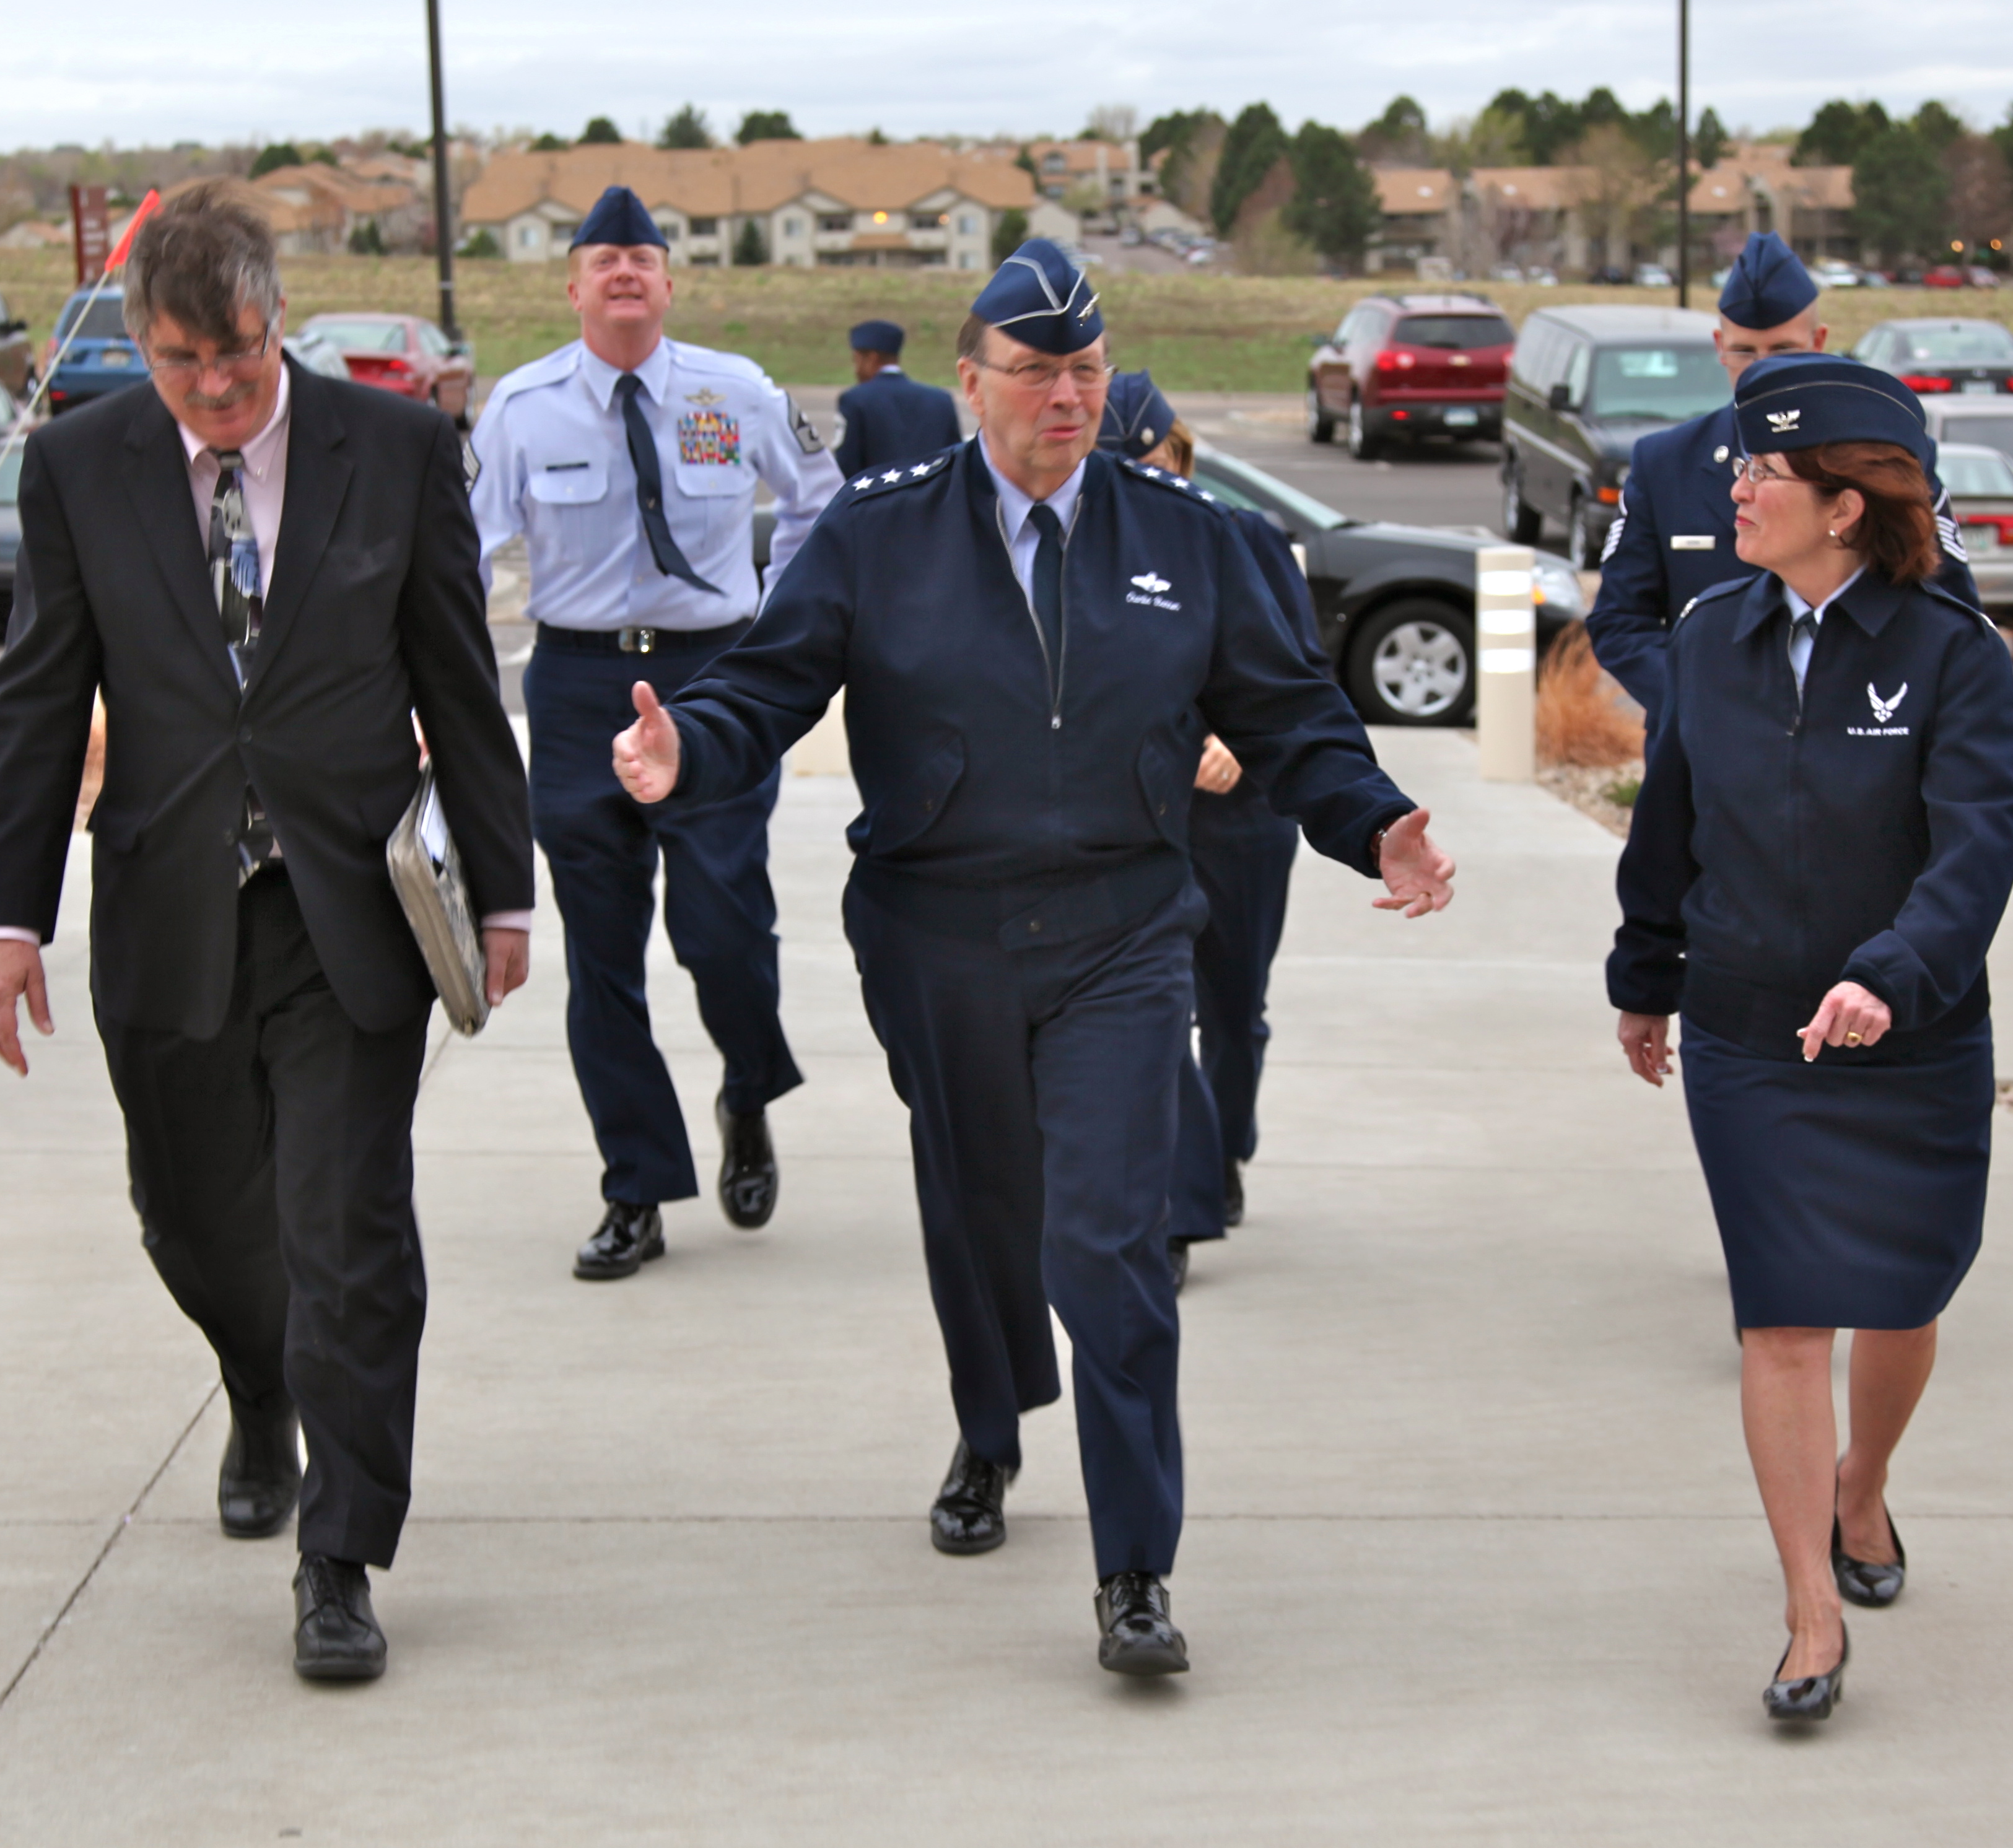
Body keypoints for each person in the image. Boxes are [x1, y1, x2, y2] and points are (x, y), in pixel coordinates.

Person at [608, 242, 1456, 1675]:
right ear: (969, 384)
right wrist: (684, 746)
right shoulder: (878, 535)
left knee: (1110, 1246)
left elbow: (1297, 718)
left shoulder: (1192, 543)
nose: (1067, 396)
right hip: (935, 934)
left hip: (1121, 934)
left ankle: (1135, 1569)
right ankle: (989, 1430)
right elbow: (764, 687)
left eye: (1086, 370)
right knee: (980, 1205)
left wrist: (1374, 825)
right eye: (1035, 372)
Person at [0, 181, 536, 1682]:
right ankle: (253, 1379)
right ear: (140, 349)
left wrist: (502, 887)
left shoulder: (396, 450)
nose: (215, 393)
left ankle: (341, 1555)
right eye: (178, 363)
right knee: (201, 1220)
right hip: (166, 904)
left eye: (236, 356)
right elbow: (38, 703)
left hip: (348, 912)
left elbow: (461, 681)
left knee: (346, 1234)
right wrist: (5, 919)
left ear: (276, 317)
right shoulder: (79, 467)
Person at [1607, 354, 2013, 1723]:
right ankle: (1805, 1611)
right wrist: (1644, 971)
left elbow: (1975, 851)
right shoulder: (1707, 640)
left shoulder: (1948, 653)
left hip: (1907, 1041)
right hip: (1746, 1032)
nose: (1732, 488)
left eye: (1761, 473)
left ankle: (1863, 1486)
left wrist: (1892, 976)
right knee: (1782, 1317)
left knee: (1900, 1298)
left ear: (1844, 507)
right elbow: (1666, 825)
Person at [469, 185, 844, 1281]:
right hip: (582, 687)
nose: (624, 271)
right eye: (604, 258)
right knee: (603, 959)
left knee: (724, 928)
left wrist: (780, 615)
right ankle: (634, 1185)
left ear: (668, 283)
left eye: (642, 255)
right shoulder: (521, 408)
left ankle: (746, 1086)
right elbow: (465, 550)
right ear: (574, 286)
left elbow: (825, 496)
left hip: (713, 681)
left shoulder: (736, 391)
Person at [1093, 372, 1327, 1289]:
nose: (1143, 479)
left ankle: (1222, 1150)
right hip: (1134, 817)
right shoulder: (1076, 549)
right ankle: (1181, 1198)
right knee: (1158, 1011)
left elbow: (1294, 674)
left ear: (1180, 455)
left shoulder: (1240, 538)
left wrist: (1230, 735)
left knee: (1234, 1010)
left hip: (1242, 817)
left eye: (1154, 461)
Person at [1586, 232, 1979, 719]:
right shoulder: (1666, 463)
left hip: (1856, 739)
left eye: (1781, 350)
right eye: (1744, 352)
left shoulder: (1881, 460)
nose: (1762, 369)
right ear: (1718, 347)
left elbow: (1948, 604)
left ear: (1818, 343)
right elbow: (1620, 622)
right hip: (1701, 756)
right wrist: (1705, 705)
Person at [833, 320, 962, 476]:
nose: (856, 370)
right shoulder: (941, 400)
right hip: (934, 499)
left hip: (877, 499)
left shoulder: (854, 400)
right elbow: (956, 461)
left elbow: (846, 463)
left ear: (872, 358)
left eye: (857, 360)